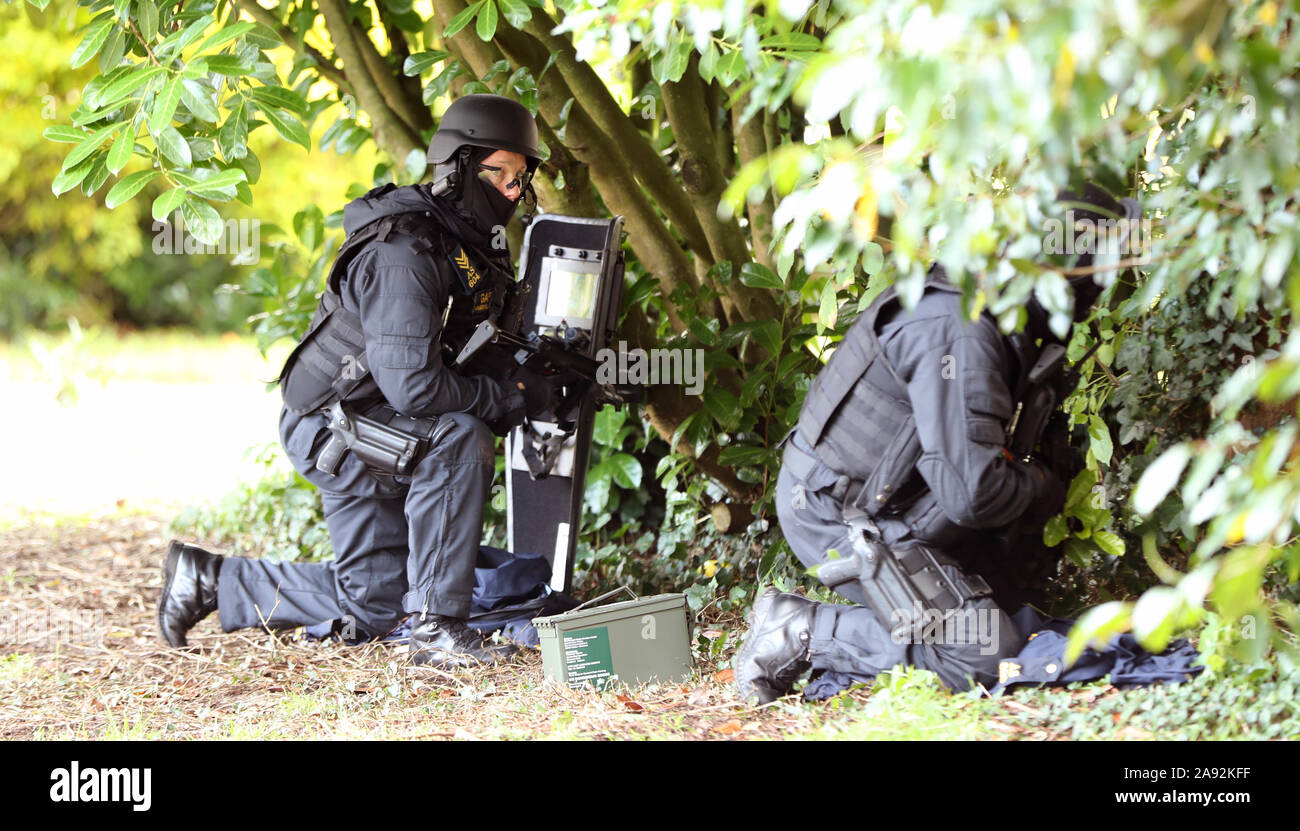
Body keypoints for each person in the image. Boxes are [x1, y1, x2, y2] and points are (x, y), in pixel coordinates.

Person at [157, 94, 556, 668]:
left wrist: (533, 376)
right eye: (500, 173)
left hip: (373, 422)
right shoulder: (405, 252)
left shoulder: (464, 241)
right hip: (335, 429)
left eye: (521, 178)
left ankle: (211, 580)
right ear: (461, 166)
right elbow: (417, 392)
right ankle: (436, 625)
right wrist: (509, 398)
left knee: (371, 607)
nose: (513, 191)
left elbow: (463, 356)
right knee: (461, 435)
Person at [735, 183, 1138, 703]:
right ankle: (797, 627)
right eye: (1094, 270)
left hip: (903, 506)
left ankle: (902, 616)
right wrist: (1037, 486)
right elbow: (972, 492)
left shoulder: (998, 311)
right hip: (839, 515)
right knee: (984, 653)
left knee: (1011, 615)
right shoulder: (960, 331)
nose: (1100, 287)